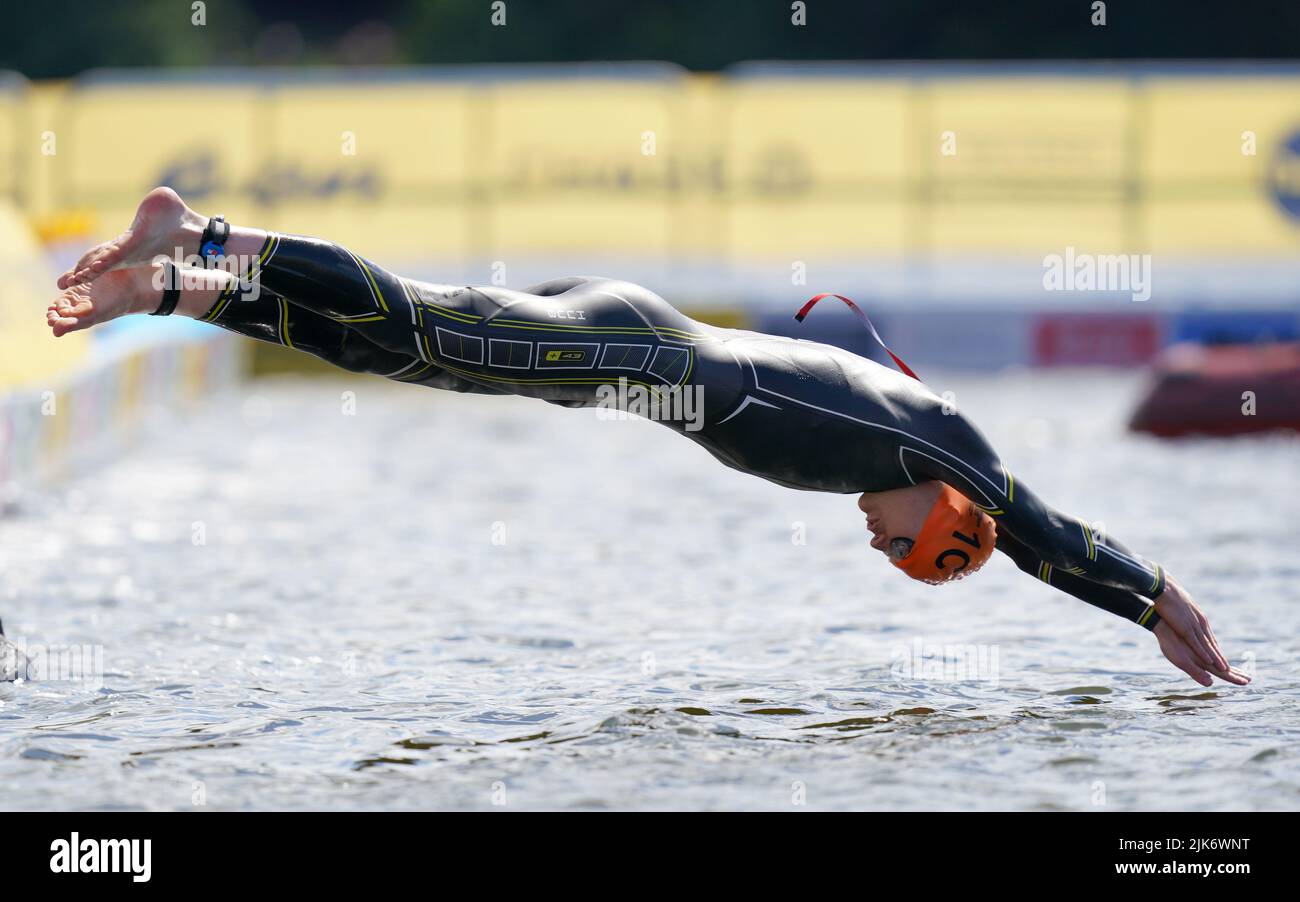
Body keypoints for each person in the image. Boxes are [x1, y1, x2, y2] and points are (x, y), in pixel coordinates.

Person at [47, 188, 1249, 688]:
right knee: (422, 319)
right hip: (635, 356)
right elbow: (1040, 535)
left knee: (396, 352)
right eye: (906, 552)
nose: (876, 549)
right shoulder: (940, 452)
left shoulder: (907, 453)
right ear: (944, 515)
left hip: (625, 362)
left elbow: (1016, 528)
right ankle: (201, 233)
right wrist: (1152, 600)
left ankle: (178, 286)